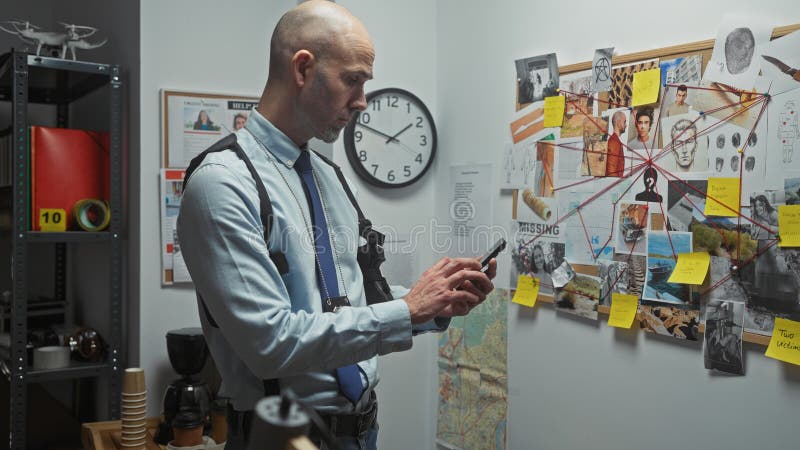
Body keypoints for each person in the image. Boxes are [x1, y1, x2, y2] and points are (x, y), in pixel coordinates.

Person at [177, 2, 497, 449]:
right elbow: (271, 344)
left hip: (363, 432)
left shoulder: (328, 176)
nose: (362, 101)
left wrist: (435, 304)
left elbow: (350, 306)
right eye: (353, 79)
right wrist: (408, 311)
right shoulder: (222, 184)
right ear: (303, 69)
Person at [605, 110, 626, 177]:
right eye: (624, 122)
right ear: (618, 123)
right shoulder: (614, 141)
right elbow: (611, 171)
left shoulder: (615, 140)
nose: (626, 125)